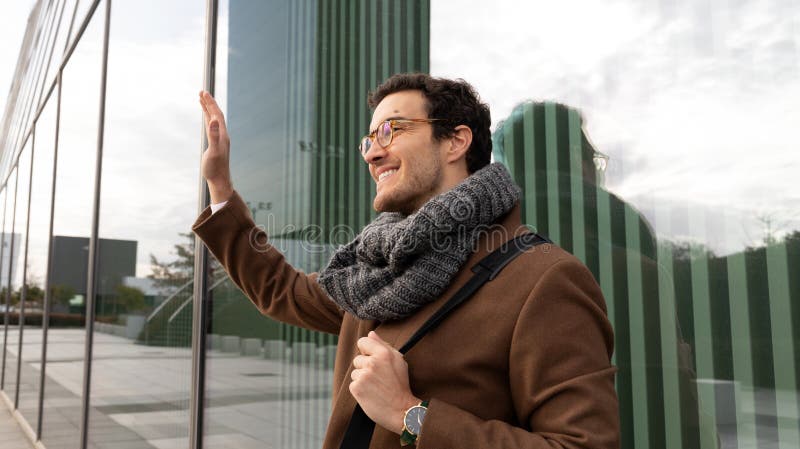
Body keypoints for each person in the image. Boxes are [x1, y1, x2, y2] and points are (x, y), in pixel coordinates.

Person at [193, 73, 619, 448]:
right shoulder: (374, 275)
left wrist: (410, 415)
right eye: (370, 138)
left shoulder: (544, 277)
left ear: (456, 140)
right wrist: (220, 185)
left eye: (392, 130)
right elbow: (283, 292)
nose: (372, 153)